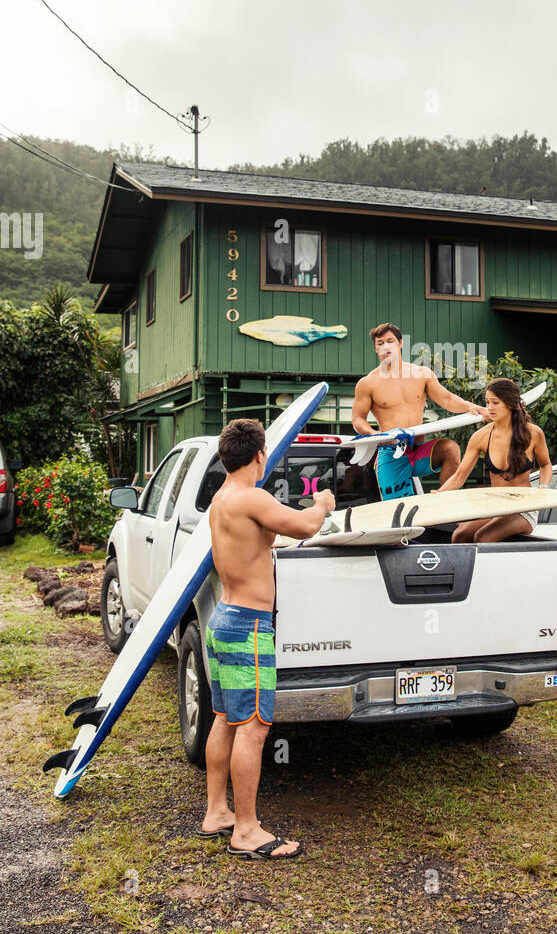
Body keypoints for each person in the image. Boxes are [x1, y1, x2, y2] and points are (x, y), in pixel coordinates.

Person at [201, 418, 335, 860]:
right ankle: (247, 830)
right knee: (255, 729)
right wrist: (322, 503)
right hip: (248, 626)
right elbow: (306, 527)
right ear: (260, 455)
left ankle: (217, 812)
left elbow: (262, 539)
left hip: (221, 619)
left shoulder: (223, 500)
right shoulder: (252, 496)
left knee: (224, 717)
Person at [351, 322, 490, 500]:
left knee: (450, 449)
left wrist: (473, 407)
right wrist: (375, 435)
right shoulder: (368, 383)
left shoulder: (421, 374)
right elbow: (357, 419)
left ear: (400, 343)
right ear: (375, 348)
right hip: (392, 453)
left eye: (390, 341)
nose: (386, 346)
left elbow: (447, 399)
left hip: (418, 449)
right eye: (380, 343)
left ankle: (445, 502)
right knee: (399, 512)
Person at [435, 378, 552, 541]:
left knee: (484, 537)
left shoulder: (533, 433)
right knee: (460, 535)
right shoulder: (480, 437)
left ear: (509, 403)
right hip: (496, 507)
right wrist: (439, 494)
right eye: (487, 402)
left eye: (495, 403)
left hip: (523, 509)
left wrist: (543, 487)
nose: (489, 407)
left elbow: (546, 465)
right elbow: (460, 475)